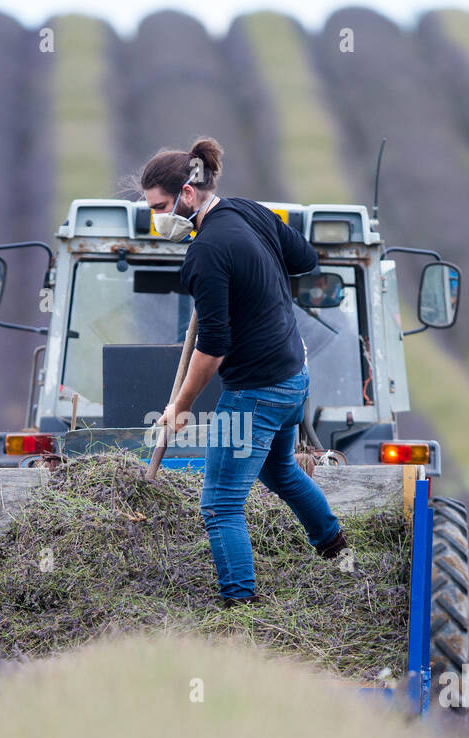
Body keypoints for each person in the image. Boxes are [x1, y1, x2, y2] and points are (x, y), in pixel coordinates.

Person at [143, 137, 348, 607]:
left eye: (159, 206)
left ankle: (239, 607)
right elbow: (307, 259)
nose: (156, 217)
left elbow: (213, 348)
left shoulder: (205, 252)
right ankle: (336, 550)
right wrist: (257, 268)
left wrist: (180, 406)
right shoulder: (251, 213)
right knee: (279, 470)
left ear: (187, 195)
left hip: (257, 394)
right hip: (294, 380)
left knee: (219, 504)